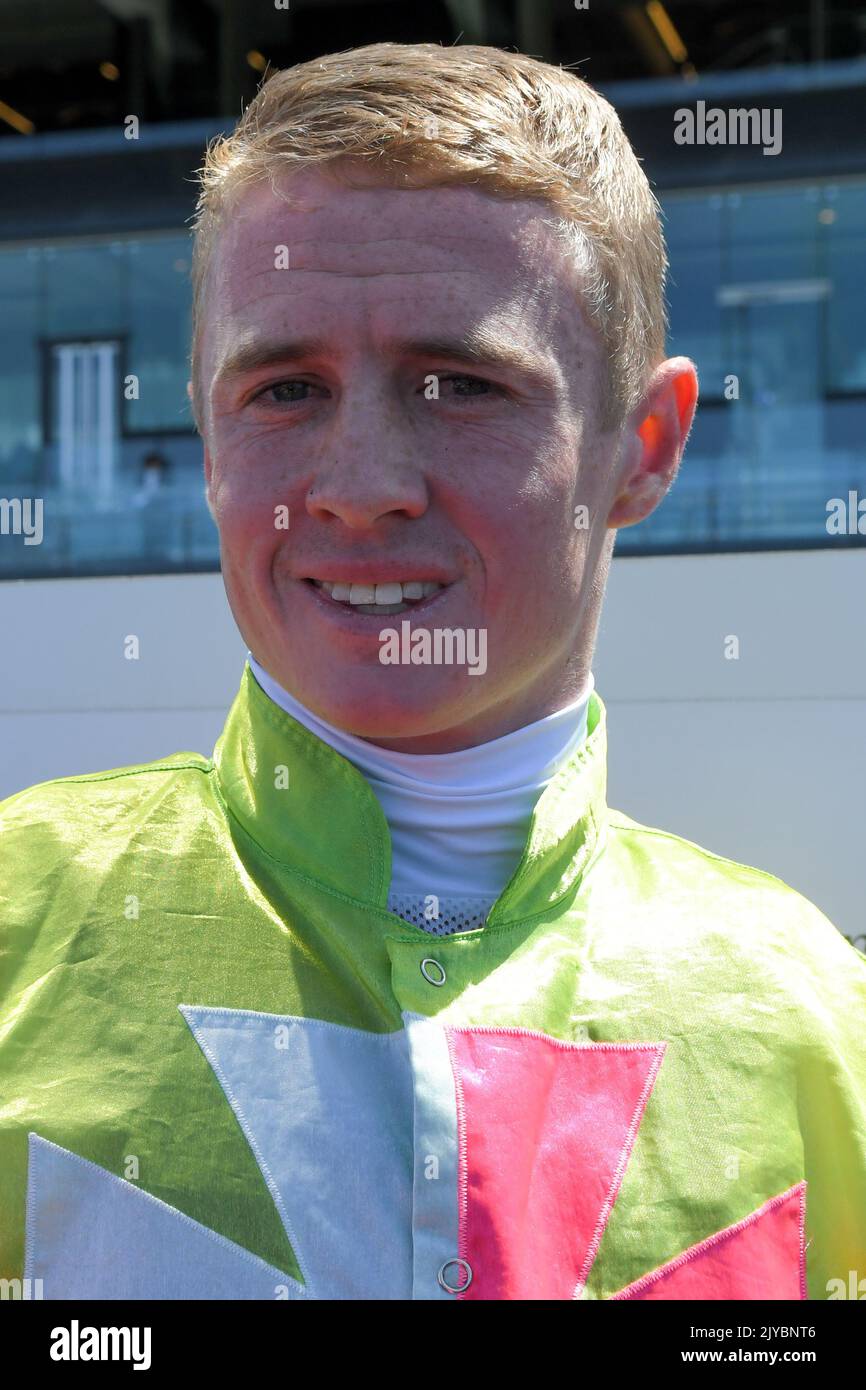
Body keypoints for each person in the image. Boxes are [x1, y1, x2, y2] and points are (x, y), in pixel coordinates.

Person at [1, 43, 864, 1303]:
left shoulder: (815, 1023)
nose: (357, 489)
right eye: (284, 389)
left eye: (460, 385)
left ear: (644, 444)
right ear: (201, 429)